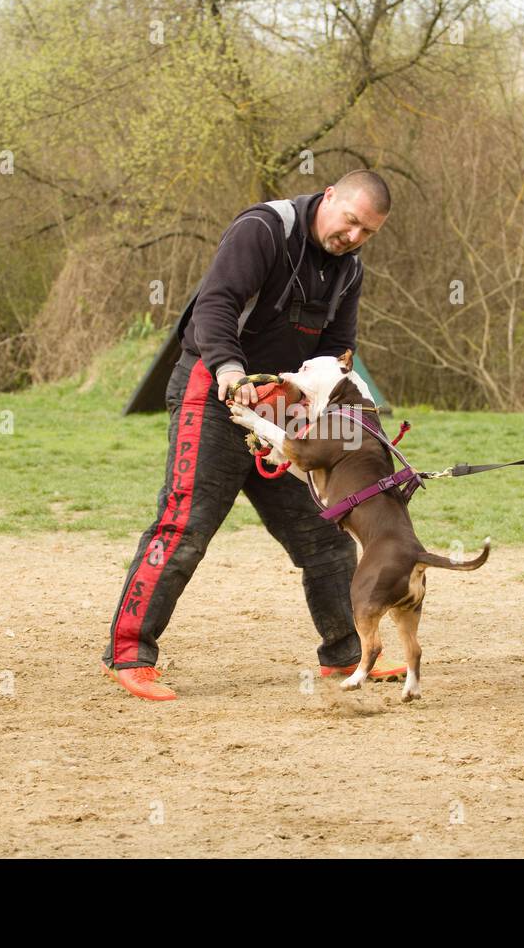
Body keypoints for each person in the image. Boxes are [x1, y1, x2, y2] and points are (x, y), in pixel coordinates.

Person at [101, 171, 405, 700]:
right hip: (213, 391)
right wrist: (227, 370)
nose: (354, 237)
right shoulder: (264, 229)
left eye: (367, 233)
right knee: (186, 527)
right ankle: (130, 653)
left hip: (282, 407)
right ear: (329, 197)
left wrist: (314, 412)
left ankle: (346, 654)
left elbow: (335, 349)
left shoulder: (348, 271)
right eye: (351, 221)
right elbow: (215, 304)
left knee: (322, 530)